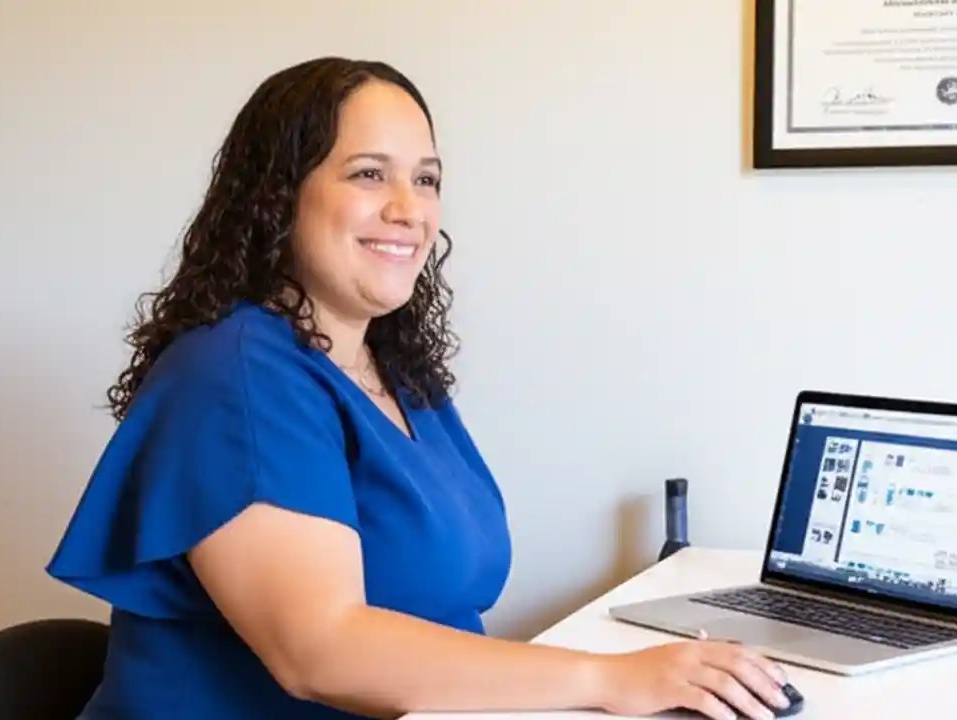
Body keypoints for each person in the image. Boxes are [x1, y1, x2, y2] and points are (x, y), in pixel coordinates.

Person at [45, 56, 792, 720]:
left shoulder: (395, 369)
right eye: (369, 173)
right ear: (279, 196)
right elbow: (321, 650)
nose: (410, 209)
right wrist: (611, 680)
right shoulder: (235, 374)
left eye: (426, 178)